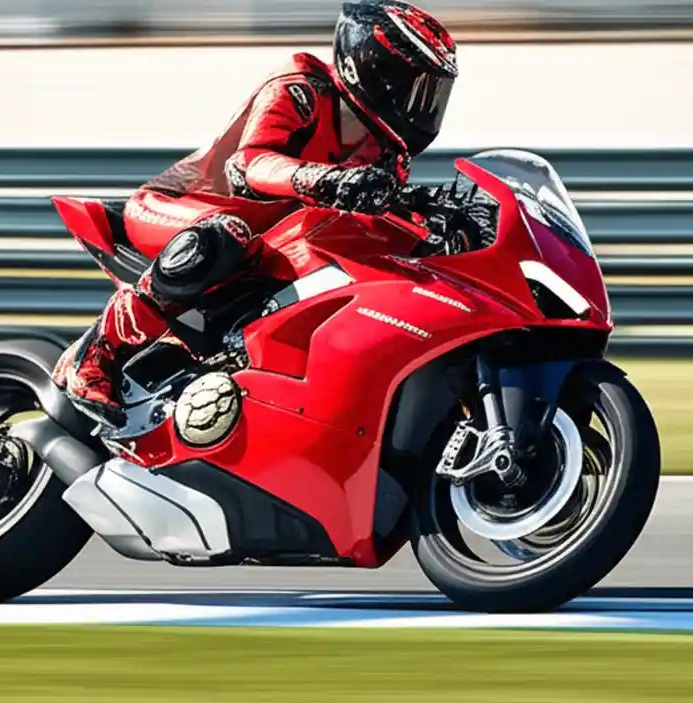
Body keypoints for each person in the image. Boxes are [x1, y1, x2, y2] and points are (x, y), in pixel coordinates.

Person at [54, 1, 461, 425]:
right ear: (375, 70)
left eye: (433, 92)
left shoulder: (387, 154)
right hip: (184, 207)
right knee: (224, 237)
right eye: (414, 86)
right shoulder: (301, 89)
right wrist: (325, 181)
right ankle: (93, 356)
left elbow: (385, 214)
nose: (423, 104)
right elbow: (250, 165)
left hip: (269, 241)